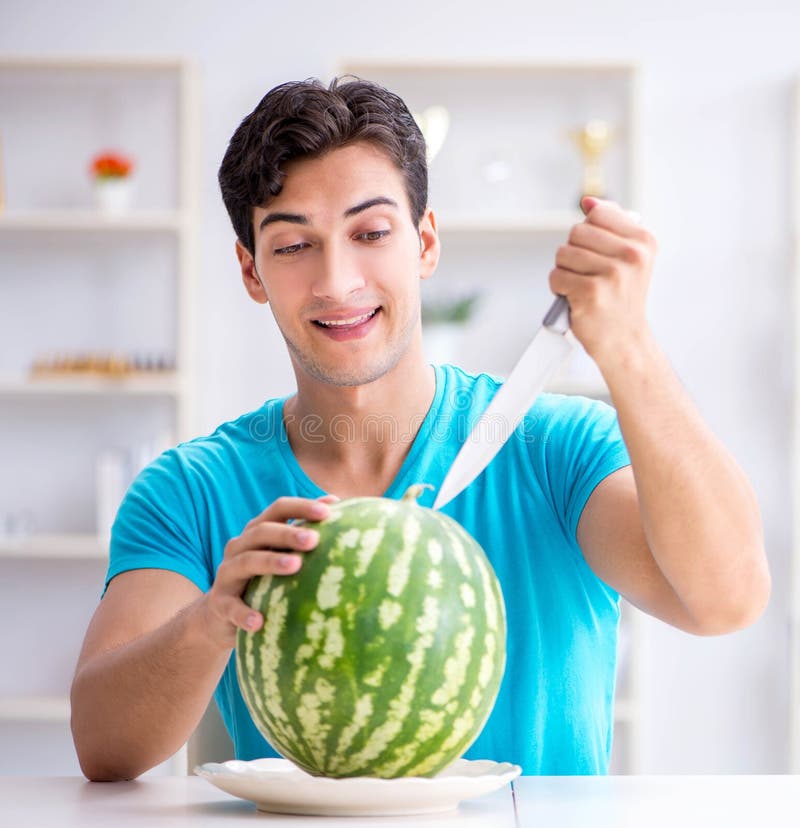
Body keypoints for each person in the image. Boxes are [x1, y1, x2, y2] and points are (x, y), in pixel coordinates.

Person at [70, 77, 770, 782]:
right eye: (292, 246)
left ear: (425, 242)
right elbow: (102, 748)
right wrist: (210, 620)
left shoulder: (557, 450)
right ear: (251, 270)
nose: (337, 282)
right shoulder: (192, 489)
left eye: (370, 233)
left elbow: (727, 600)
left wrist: (629, 346)